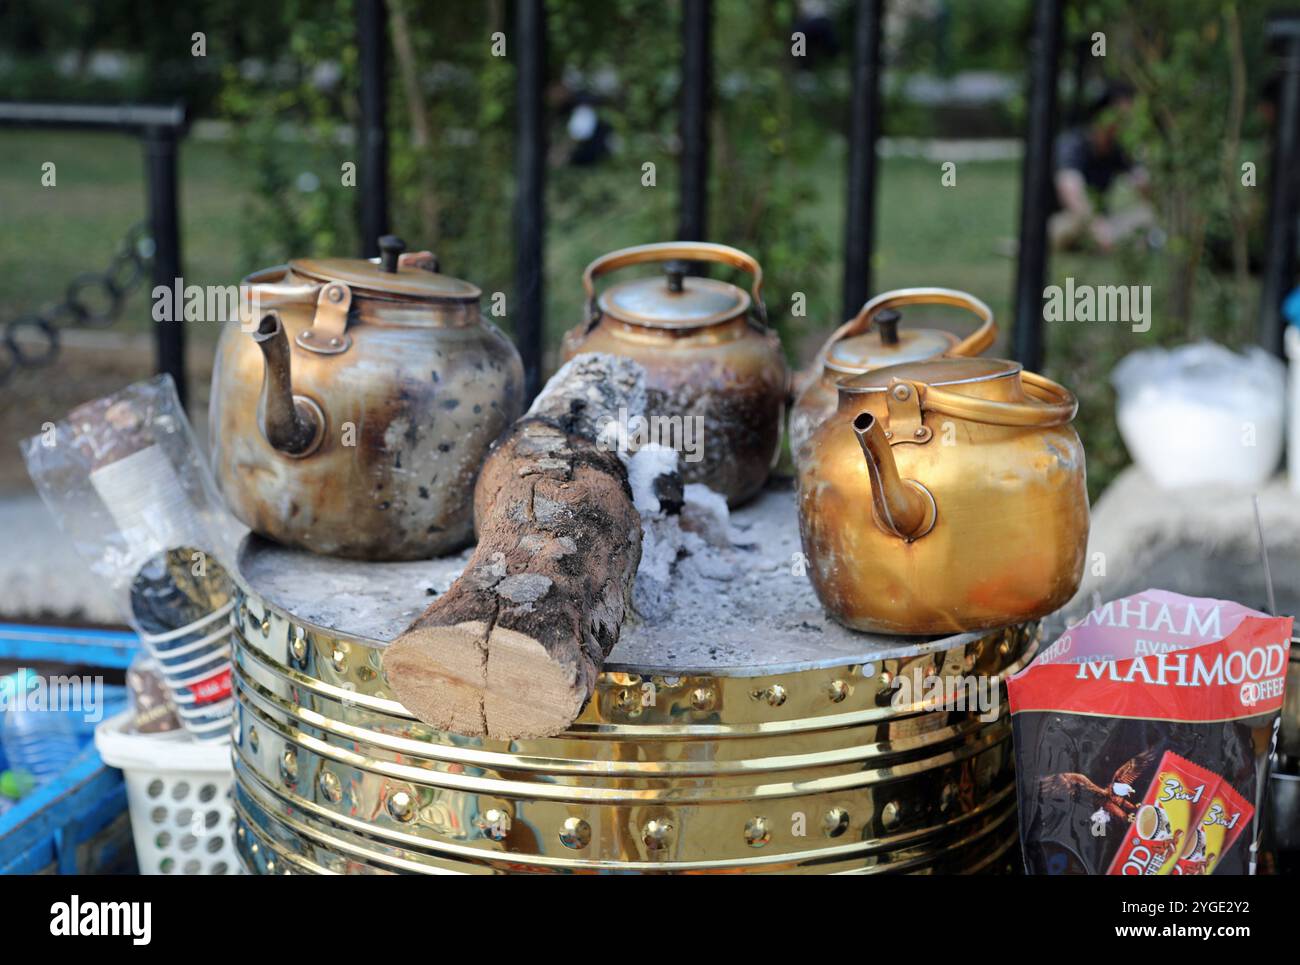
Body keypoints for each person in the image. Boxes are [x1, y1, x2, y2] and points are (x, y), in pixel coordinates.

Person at [1050, 84, 1154, 252]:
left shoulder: (1119, 149)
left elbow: (1145, 187)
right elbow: (1071, 193)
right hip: (1066, 221)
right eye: (1122, 117)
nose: (1127, 123)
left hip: (1103, 224)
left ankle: (1108, 243)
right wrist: (1097, 228)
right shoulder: (1074, 144)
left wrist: (1142, 152)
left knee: (1148, 216)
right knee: (1073, 224)